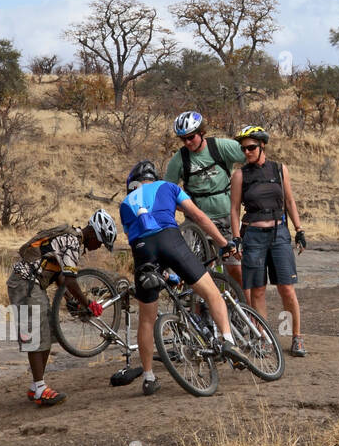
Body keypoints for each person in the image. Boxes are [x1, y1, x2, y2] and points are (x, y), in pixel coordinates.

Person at [119, 159, 246, 395]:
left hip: (143, 251)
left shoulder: (125, 203)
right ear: (154, 177)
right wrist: (223, 242)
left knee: (147, 319)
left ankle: (148, 377)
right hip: (170, 239)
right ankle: (228, 341)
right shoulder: (168, 187)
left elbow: (134, 237)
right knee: (212, 294)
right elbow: (198, 216)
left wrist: (164, 272)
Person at [7, 210, 117, 406]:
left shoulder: (72, 239)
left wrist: (69, 299)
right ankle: (40, 389)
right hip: (25, 283)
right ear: (93, 233)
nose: (98, 247)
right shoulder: (73, 242)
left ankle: (36, 387)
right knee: (36, 335)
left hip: (33, 284)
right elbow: (70, 280)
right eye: (100, 242)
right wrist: (88, 303)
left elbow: (59, 274)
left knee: (47, 333)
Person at [229, 126, 308, 357]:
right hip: (252, 235)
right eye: (243, 149)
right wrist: (236, 239)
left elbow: (290, 202)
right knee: (258, 290)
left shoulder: (279, 169)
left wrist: (299, 229)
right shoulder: (240, 175)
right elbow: (234, 210)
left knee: (286, 288)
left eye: (251, 147)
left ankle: (295, 336)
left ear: (262, 145)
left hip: (279, 234)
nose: (247, 152)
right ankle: (262, 337)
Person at [163, 110, 246, 286]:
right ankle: (201, 311)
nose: (187, 142)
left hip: (226, 218)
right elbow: (166, 192)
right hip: (197, 223)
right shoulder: (179, 160)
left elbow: (251, 156)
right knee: (198, 273)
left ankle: (246, 311)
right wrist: (185, 207)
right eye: (183, 139)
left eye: (191, 137)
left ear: (202, 132)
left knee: (236, 269)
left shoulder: (220, 147)